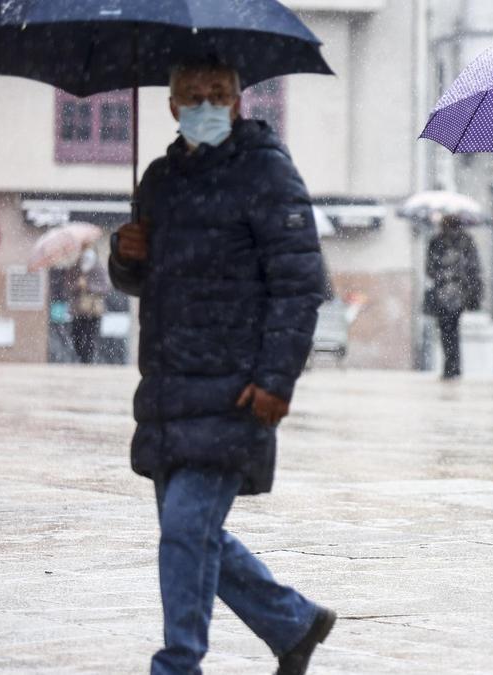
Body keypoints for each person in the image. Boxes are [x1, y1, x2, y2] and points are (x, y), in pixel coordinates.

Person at [107, 60, 334, 675]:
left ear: (238, 102)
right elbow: (141, 278)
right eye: (193, 96)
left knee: (186, 530)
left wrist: (276, 380)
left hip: (237, 390)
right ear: (171, 105)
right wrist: (125, 256)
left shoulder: (266, 172)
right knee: (194, 535)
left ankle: (177, 664)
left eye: (219, 95)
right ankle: (293, 622)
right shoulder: (157, 179)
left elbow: (299, 286)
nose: (206, 105)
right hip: (167, 389)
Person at [424, 214, 482, 379]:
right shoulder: (463, 241)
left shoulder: (438, 241)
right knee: (451, 330)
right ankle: (453, 365)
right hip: (455, 293)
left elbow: (429, 269)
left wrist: (444, 272)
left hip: (449, 293)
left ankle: (451, 365)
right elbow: (474, 268)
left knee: (447, 330)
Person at [69, 245, 110, 364]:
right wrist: (77, 285)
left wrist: (88, 286)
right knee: (77, 336)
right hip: (78, 309)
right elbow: (68, 287)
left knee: (90, 336)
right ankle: (81, 357)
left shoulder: (98, 268)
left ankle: (87, 360)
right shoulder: (76, 269)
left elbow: (105, 287)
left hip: (93, 310)